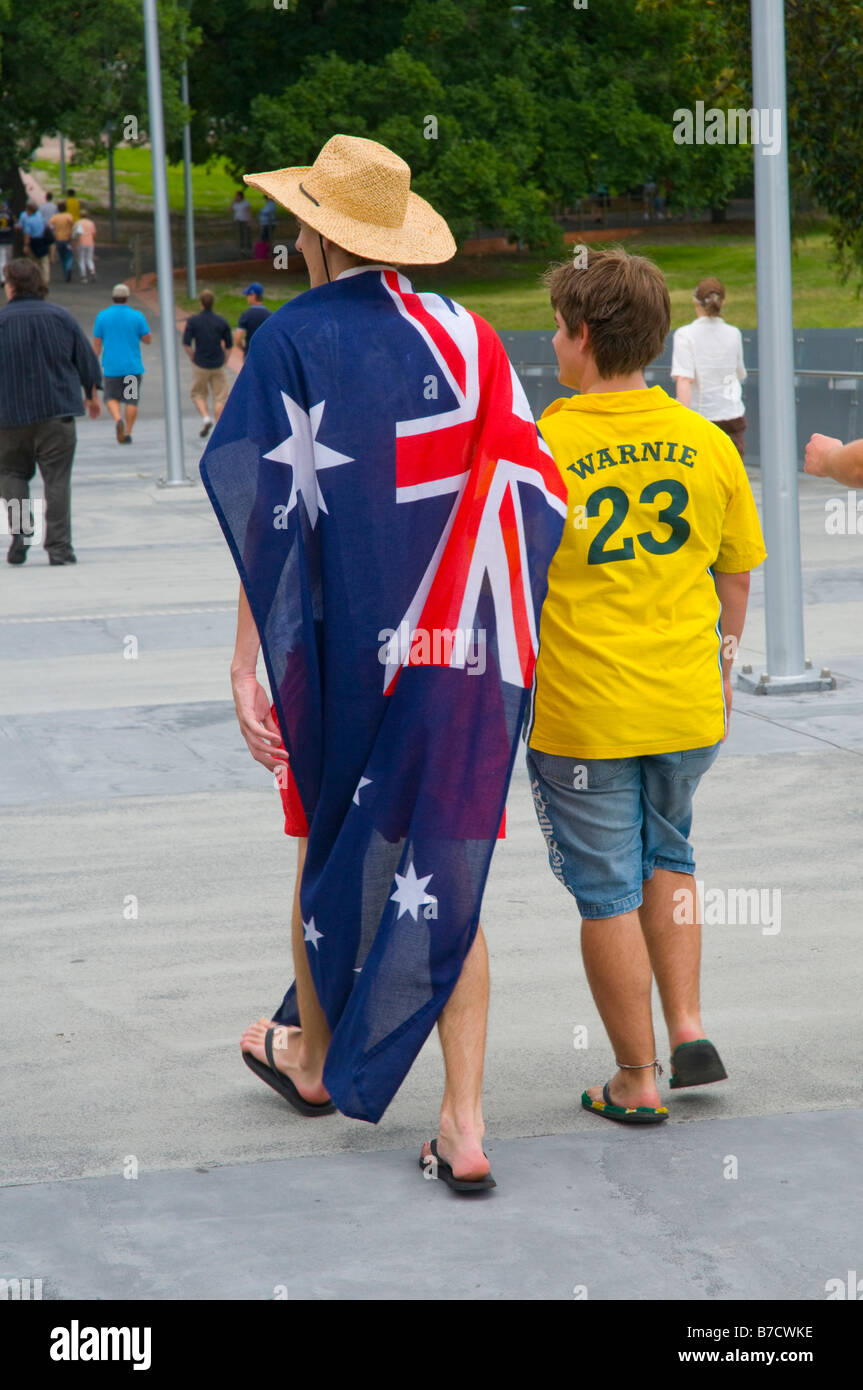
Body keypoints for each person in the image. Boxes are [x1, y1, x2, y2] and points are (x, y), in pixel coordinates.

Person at [199, 134, 566, 1190]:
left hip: (340, 653)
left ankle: (312, 1059)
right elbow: (530, 495)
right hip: (457, 656)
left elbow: (269, 518)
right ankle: (463, 1125)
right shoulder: (473, 339)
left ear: (316, 233)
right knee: (442, 869)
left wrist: (245, 662)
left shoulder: (289, 340)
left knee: (323, 847)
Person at [526, 247, 766, 1125]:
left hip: (587, 713)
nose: (554, 343)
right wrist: (726, 663)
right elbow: (734, 572)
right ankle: (687, 1024)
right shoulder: (706, 443)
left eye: (558, 329)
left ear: (583, 336)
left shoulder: (544, 444)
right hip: (687, 700)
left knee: (606, 894)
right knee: (671, 854)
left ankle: (634, 1077)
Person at [0, 257, 101, 565]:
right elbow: (85, 360)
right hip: (57, 413)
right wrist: (91, 394)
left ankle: (21, 532)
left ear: (12, 286)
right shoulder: (61, 317)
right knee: (56, 480)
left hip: (8, 417)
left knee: (11, 473)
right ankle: (59, 548)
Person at [671, 277, 747, 458]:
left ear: (694, 301)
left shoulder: (685, 335)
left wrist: (682, 423)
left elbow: (684, 380)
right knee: (732, 479)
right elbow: (740, 373)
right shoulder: (734, 333)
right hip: (733, 418)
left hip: (702, 419)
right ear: (723, 302)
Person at [92, 283, 151, 444]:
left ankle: (118, 419)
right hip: (131, 367)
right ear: (127, 297)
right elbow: (147, 339)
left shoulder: (102, 316)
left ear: (113, 297)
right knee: (131, 399)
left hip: (112, 367)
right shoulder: (137, 316)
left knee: (110, 397)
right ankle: (128, 432)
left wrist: (93, 360)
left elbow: (97, 343)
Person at [182, 289, 233, 436]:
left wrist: (192, 356)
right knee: (220, 396)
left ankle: (205, 418)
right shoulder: (221, 321)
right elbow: (229, 345)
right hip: (218, 363)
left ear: (200, 303)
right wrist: (225, 360)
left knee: (198, 394)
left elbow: (186, 343)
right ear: (213, 303)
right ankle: (219, 429)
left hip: (201, 363)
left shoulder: (193, 321)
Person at [18, 201, 52, 285]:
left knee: (33, 262)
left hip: (33, 241)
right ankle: (45, 279)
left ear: (29, 210)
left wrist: (26, 245)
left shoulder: (29, 221)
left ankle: (35, 279)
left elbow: (27, 234)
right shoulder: (41, 218)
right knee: (44, 261)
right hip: (43, 241)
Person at [234, 281, 271, 355]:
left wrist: (244, 349)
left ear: (253, 295)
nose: (247, 297)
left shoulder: (246, 315)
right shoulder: (269, 315)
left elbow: (237, 339)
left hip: (250, 354)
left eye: (248, 295)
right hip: (265, 354)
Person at [49, 201, 75, 282]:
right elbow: (73, 225)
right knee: (69, 256)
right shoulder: (69, 216)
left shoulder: (54, 217)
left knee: (62, 257)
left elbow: (50, 226)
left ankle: (65, 273)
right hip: (67, 239)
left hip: (58, 239)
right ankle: (69, 267)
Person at [72, 208, 97, 283]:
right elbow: (94, 233)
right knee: (89, 258)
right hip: (90, 242)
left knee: (81, 259)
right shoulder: (91, 223)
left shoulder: (78, 223)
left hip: (81, 242)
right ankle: (92, 271)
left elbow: (75, 233)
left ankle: (84, 276)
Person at [0, 195, 14, 283]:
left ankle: (3, 278)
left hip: (0, 239)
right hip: (8, 239)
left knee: (1, 260)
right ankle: (8, 276)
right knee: (8, 259)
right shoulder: (9, 214)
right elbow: (13, 225)